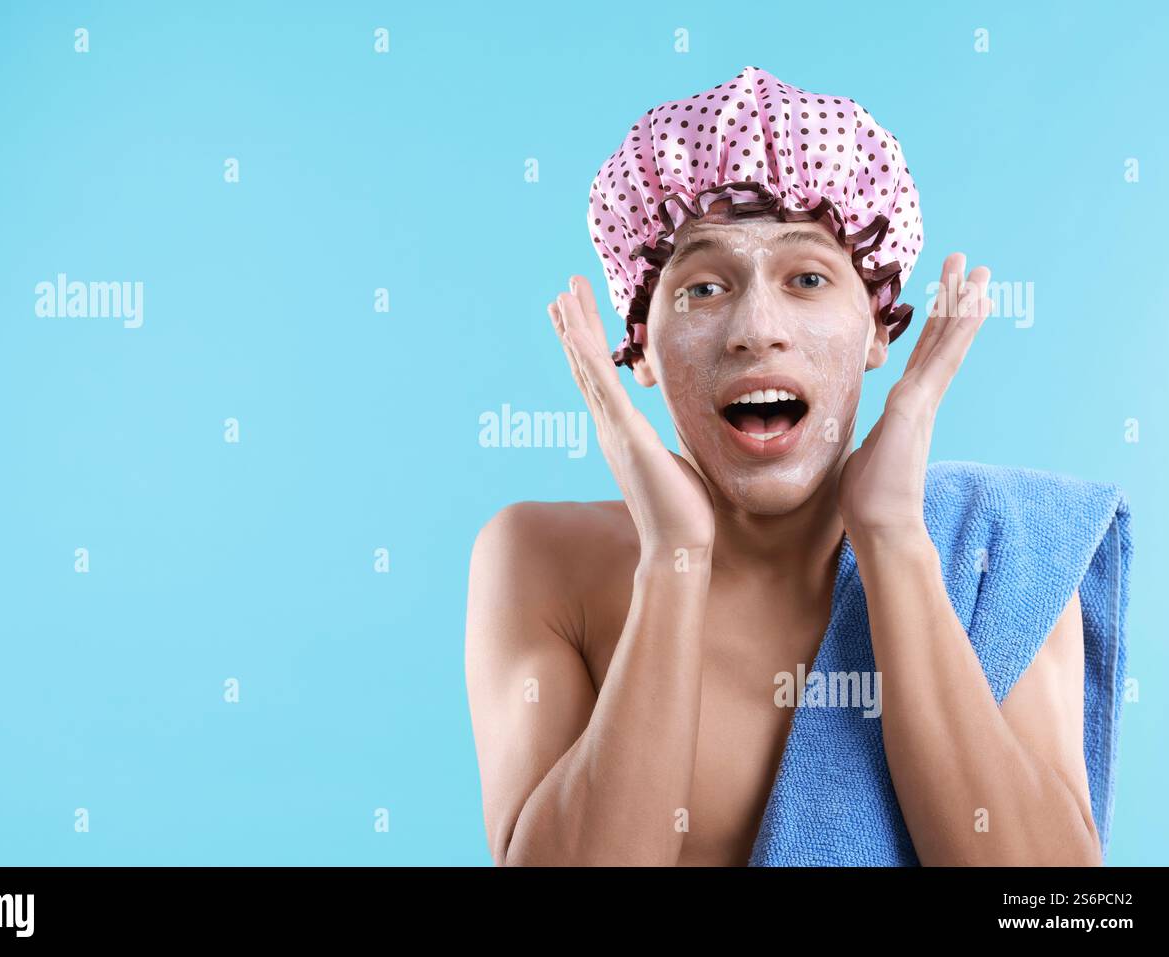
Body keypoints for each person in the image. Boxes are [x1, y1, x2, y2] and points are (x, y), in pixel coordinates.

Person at [464, 66, 1128, 866]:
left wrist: (894, 544)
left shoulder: (1000, 554)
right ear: (637, 344)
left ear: (879, 329)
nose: (756, 328)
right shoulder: (540, 559)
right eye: (704, 286)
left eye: (807, 278)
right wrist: (675, 560)